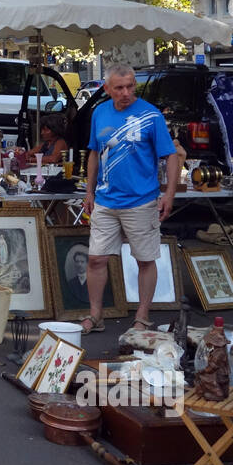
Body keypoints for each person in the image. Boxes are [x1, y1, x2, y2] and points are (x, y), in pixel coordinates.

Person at [81, 63, 180, 333]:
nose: (126, 92)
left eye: (130, 86)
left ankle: (142, 316)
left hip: (141, 201)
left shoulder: (151, 115)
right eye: (119, 88)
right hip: (105, 200)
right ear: (107, 89)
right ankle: (96, 315)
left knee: (145, 259)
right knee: (96, 259)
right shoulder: (100, 112)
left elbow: (171, 155)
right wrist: (89, 192)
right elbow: (93, 153)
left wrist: (168, 194)